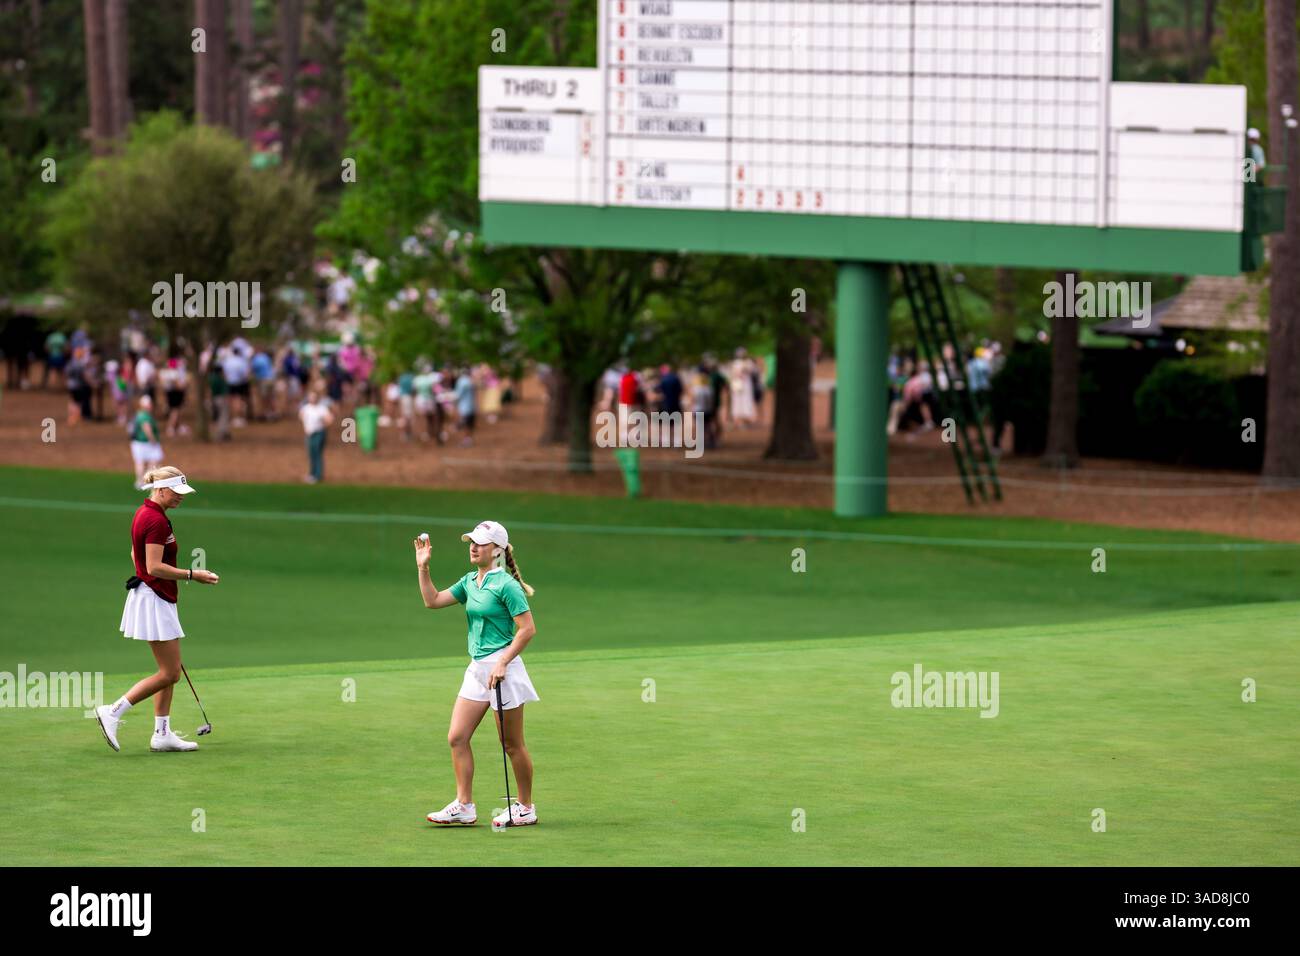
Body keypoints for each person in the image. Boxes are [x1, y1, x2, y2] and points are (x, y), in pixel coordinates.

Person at [417, 521, 540, 828]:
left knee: (511, 744)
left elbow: (527, 630)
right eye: (471, 541)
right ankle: (464, 805)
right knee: (457, 737)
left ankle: (525, 807)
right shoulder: (470, 581)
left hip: (504, 670)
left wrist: (503, 663)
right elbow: (432, 601)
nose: (473, 546)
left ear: (497, 551)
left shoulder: (507, 586)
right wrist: (424, 568)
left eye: (481, 543)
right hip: (477, 669)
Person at [94, 467, 220, 754]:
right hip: (154, 597)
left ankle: (162, 734)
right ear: (161, 489)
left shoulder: (146, 513)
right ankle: (112, 711)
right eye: (176, 493)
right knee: (170, 673)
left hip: (154, 594)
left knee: (169, 669)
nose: (180, 498)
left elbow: (136, 556)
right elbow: (153, 567)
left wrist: (148, 572)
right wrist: (193, 574)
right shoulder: (156, 521)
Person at [128, 395, 165, 487]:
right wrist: (153, 440)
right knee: (154, 459)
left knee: (140, 461)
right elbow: (147, 428)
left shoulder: (139, 414)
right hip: (145, 442)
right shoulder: (144, 416)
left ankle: (140, 481)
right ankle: (146, 481)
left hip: (137, 442)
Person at [300, 390, 333, 484]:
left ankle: (318, 475)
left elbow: (329, 419)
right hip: (309, 434)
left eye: (314, 397)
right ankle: (312, 474)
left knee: (317, 454)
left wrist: (322, 425)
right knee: (311, 454)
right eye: (310, 397)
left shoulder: (322, 408)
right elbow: (301, 416)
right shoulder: (306, 408)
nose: (312, 399)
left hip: (318, 433)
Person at [159, 356, 189, 437]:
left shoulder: (166, 372)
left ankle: (176, 427)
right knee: (175, 411)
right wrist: (184, 386)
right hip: (175, 393)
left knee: (175, 411)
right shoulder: (174, 373)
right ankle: (170, 428)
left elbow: (162, 383)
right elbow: (178, 385)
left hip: (170, 393)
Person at [454, 367, 477, 447]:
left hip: (464, 406)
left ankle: (466, 440)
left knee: (465, 424)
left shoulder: (461, 381)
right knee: (470, 424)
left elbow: (458, 394)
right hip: (471, 405)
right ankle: (469, 439)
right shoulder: (471, 381)